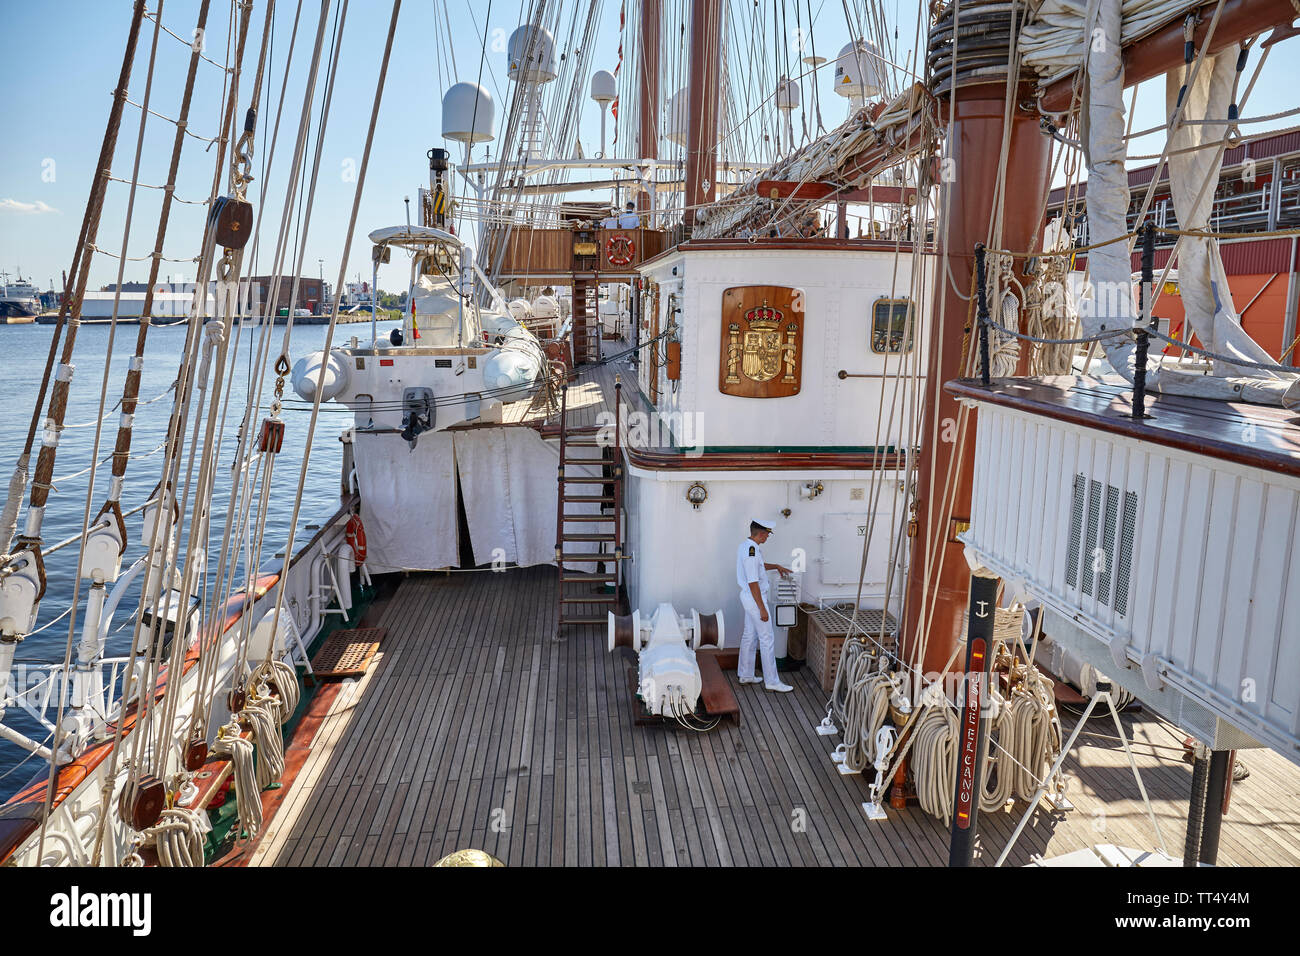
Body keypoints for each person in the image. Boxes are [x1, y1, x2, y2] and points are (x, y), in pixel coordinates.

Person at [735, 517, 794, 692]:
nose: (768, 537)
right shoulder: (752, 551)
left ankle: (746, 674)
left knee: (749, 635)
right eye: (767, 534)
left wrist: (776, 566)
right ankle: (772, 681)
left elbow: (758, 567)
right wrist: (762, 608)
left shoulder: (747, 547)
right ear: (761, 534)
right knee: (767, 638)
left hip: (749, 597)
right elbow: (753, 582)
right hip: (755, 599)